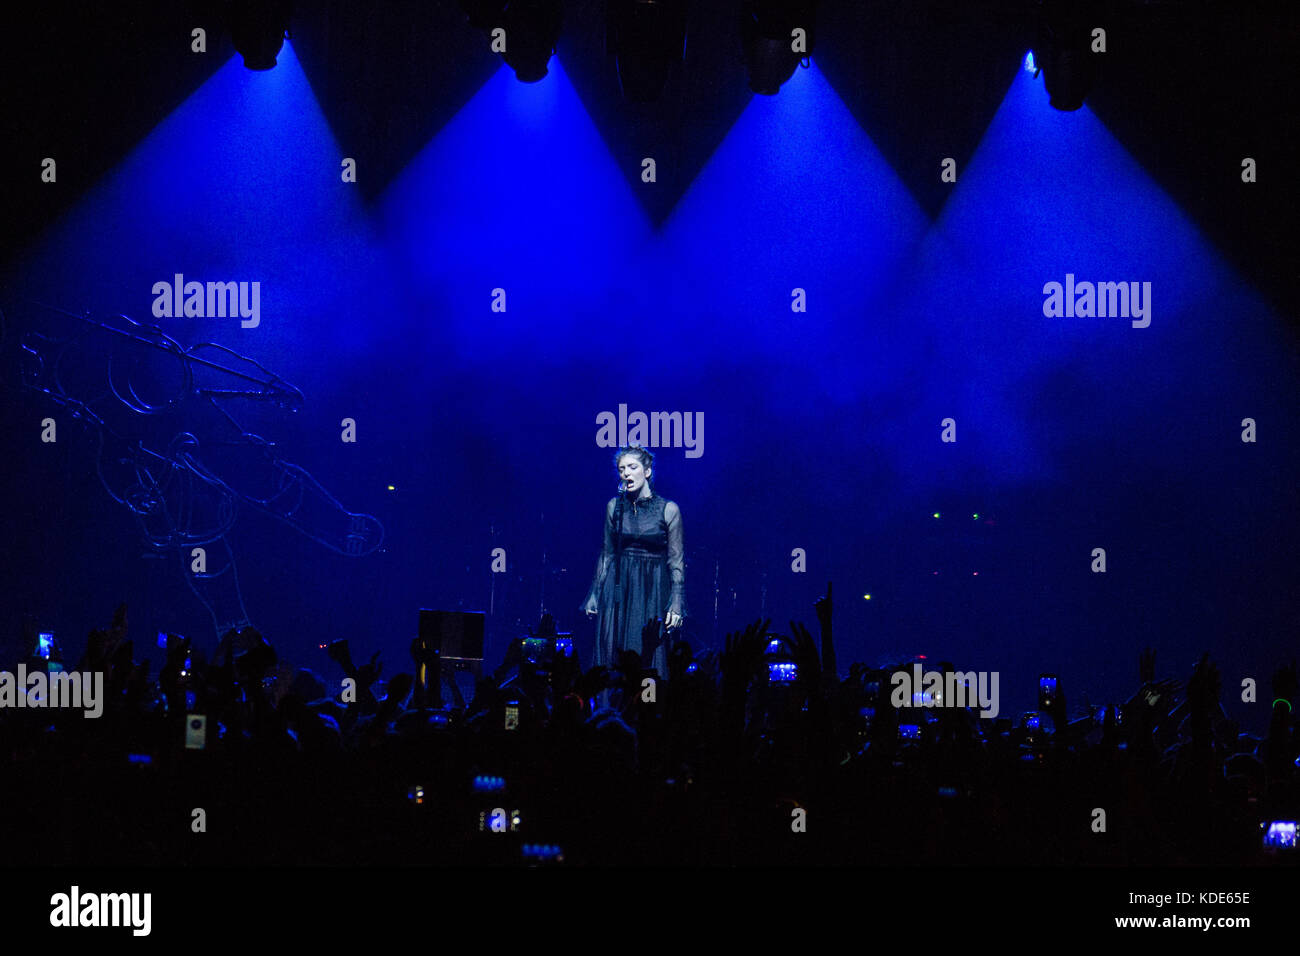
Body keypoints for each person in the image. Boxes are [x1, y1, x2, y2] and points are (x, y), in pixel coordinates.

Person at [582, 446, 685, 673]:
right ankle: (611, 706)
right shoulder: (614, 506)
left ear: (647, 471)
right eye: (621, 469)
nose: (626, 473)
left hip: (653, 587)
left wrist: (676, 602)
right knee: (611, 649)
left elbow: (676, 559)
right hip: (619, 585)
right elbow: (607, 552)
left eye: (632, 467)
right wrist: (594, 594)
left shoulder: (669, 510)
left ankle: (647, 703)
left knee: (645, 649)